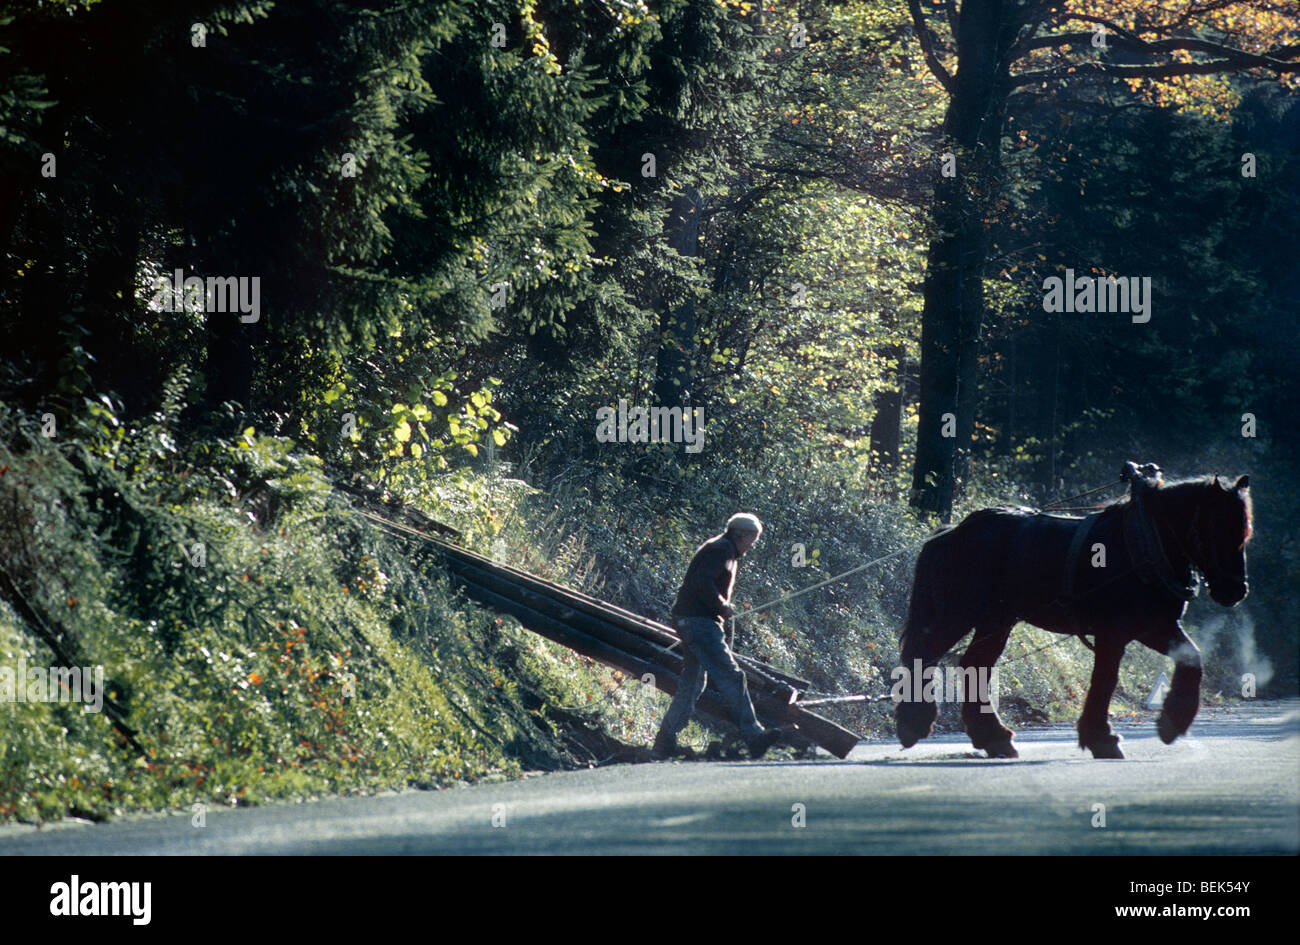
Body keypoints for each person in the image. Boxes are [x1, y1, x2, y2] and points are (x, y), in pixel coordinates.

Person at [654, 513, 781, 759]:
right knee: (732, 676)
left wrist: (719, 607)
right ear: (739, 534)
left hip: (691, 620)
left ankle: (664, 741)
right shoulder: (721, 549)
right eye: (752, 538)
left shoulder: (724, 550)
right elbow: (703, 582)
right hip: (699, 622)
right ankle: (754, 735)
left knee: (692, 685)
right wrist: (722, 605)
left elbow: (704, 582)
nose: (752, 544)